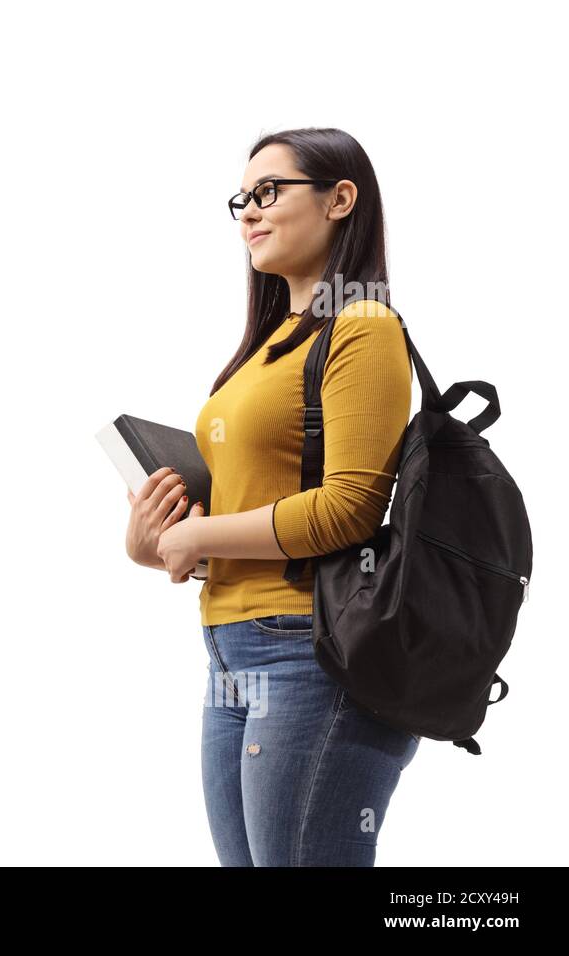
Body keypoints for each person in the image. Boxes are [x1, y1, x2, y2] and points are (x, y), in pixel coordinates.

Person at [124, 127, 419, 866]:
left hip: (309, 653)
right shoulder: (263, 348)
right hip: (229, 652)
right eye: (241, 199)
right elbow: (253, 506)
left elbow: (348, 507)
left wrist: (200, 538)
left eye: (269, 192)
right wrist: (156, 538)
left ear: (340, 199)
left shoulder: (365, 326)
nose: (249, 212)